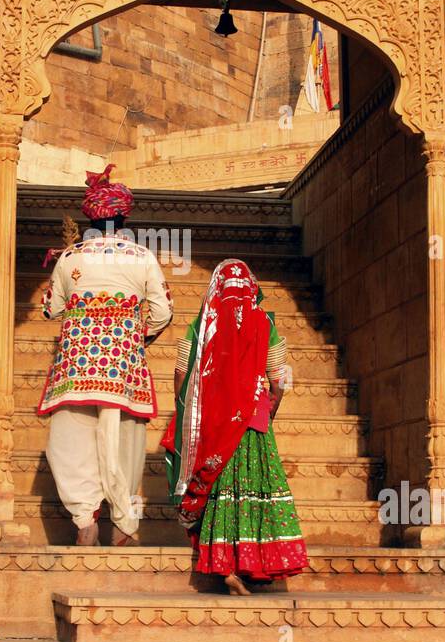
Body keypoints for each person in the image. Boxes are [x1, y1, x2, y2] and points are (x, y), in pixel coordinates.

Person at [38, 165, 173, 546]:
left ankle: (85, 521)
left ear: (89, 217)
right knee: (126, 446)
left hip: (76, 367)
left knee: (72, 443)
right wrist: (137, 336)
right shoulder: (142, 256)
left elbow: (51, 309)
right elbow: (163, 312)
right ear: (124, 216)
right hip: (125, 367)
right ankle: (125, 527)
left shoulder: (70, 257)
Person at [162, 258, 307, 594]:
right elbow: (279, 380)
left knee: (221, 490)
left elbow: (181, 374)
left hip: (213, 424)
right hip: (253, 422)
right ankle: (251, 563)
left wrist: (187, 412)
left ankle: (223, 564)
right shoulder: (264, 322)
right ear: (252, 289)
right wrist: (269, 412)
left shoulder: (201, 326)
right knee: (254, 491)